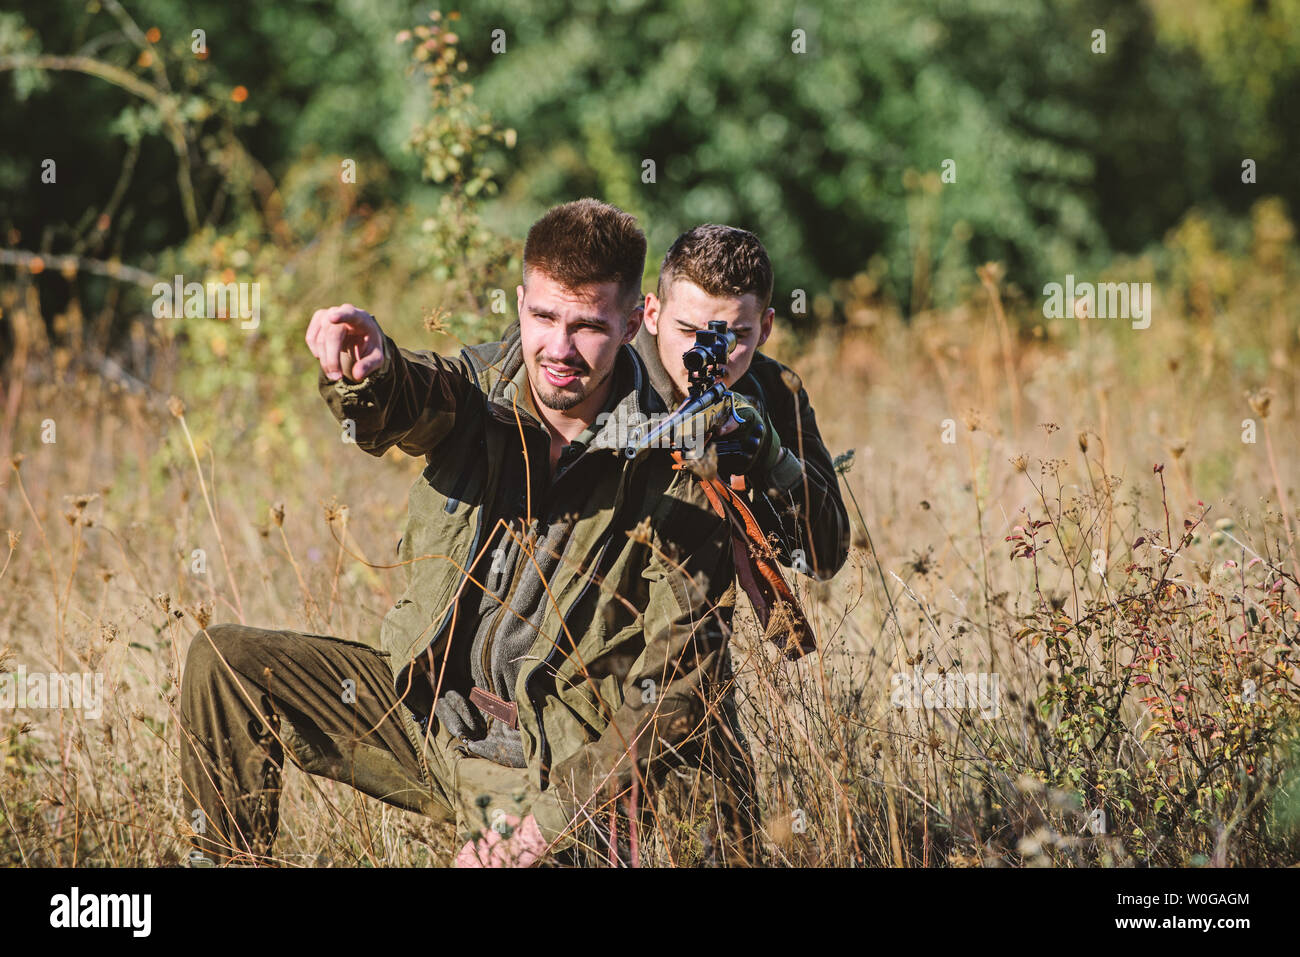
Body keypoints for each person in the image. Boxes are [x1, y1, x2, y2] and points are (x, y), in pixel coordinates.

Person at [178, 199, 761, 868]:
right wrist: (371, 369)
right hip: (426, 715)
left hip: (550, 762)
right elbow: (411, 398)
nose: (559, 349)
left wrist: (541, 829)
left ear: (632, 325)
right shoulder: (481, 392)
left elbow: (675, 691)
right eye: (543, 317)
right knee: (225, 661)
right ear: (519, 303)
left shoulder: (677, 464)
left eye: (588, 327)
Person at [636, 224, 850, 581]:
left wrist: (771, 458)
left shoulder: (774, 390)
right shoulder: (608, 373)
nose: (708, 355)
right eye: (689, 331)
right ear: (651, 314)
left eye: (733, 338)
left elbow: (824, 558)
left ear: (766, 328)